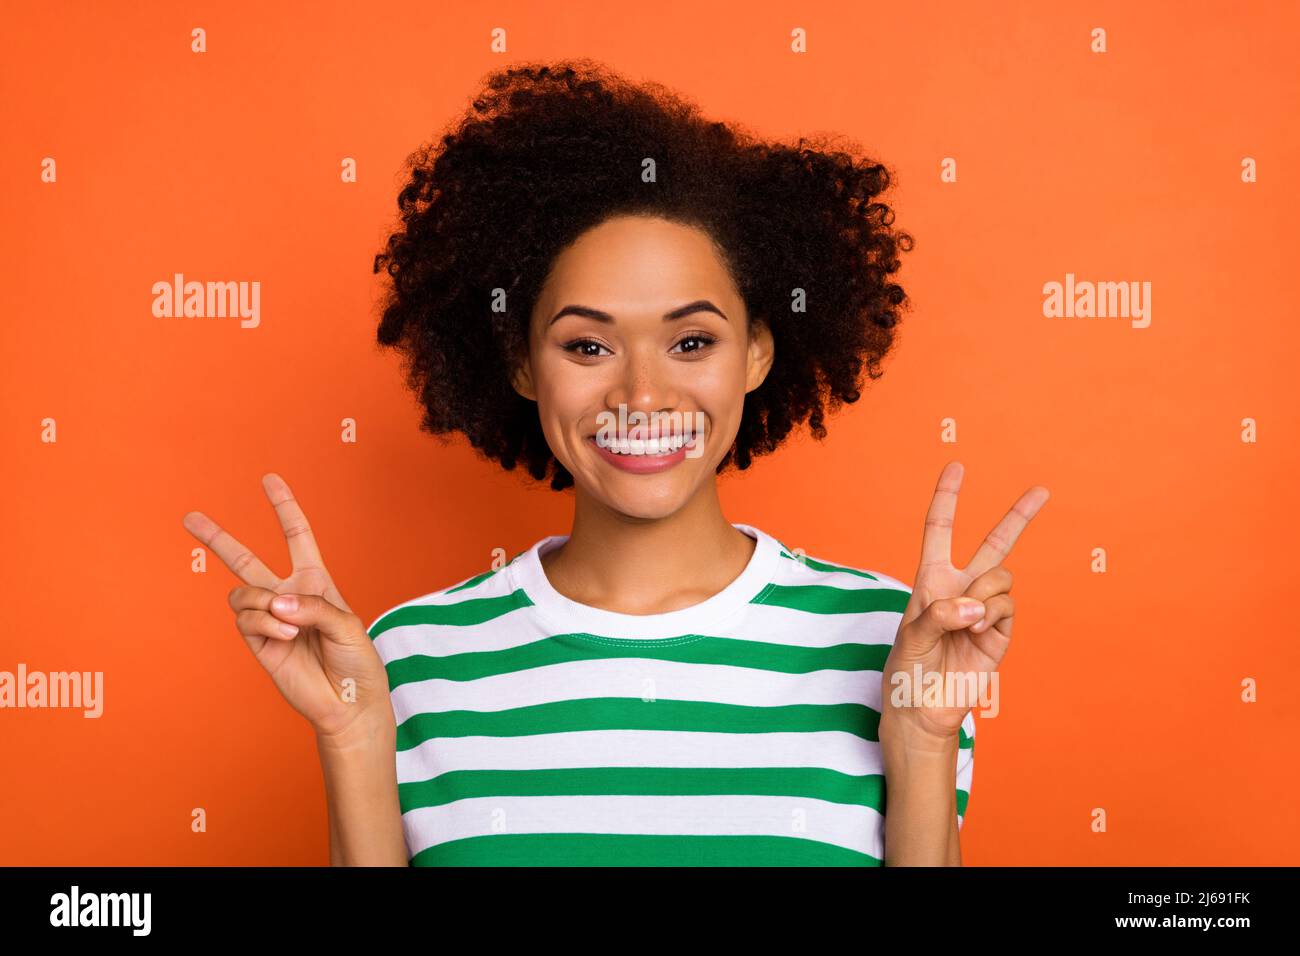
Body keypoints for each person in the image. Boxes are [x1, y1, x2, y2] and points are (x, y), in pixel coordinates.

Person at [182, 60, 1048, 867]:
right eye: (588, 344)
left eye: (692, 340)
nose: (641, 394)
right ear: (522, 365)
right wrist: (354, 737)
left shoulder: (892, 642)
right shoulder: (405, 660)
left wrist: (926, 738)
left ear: (755, 354)